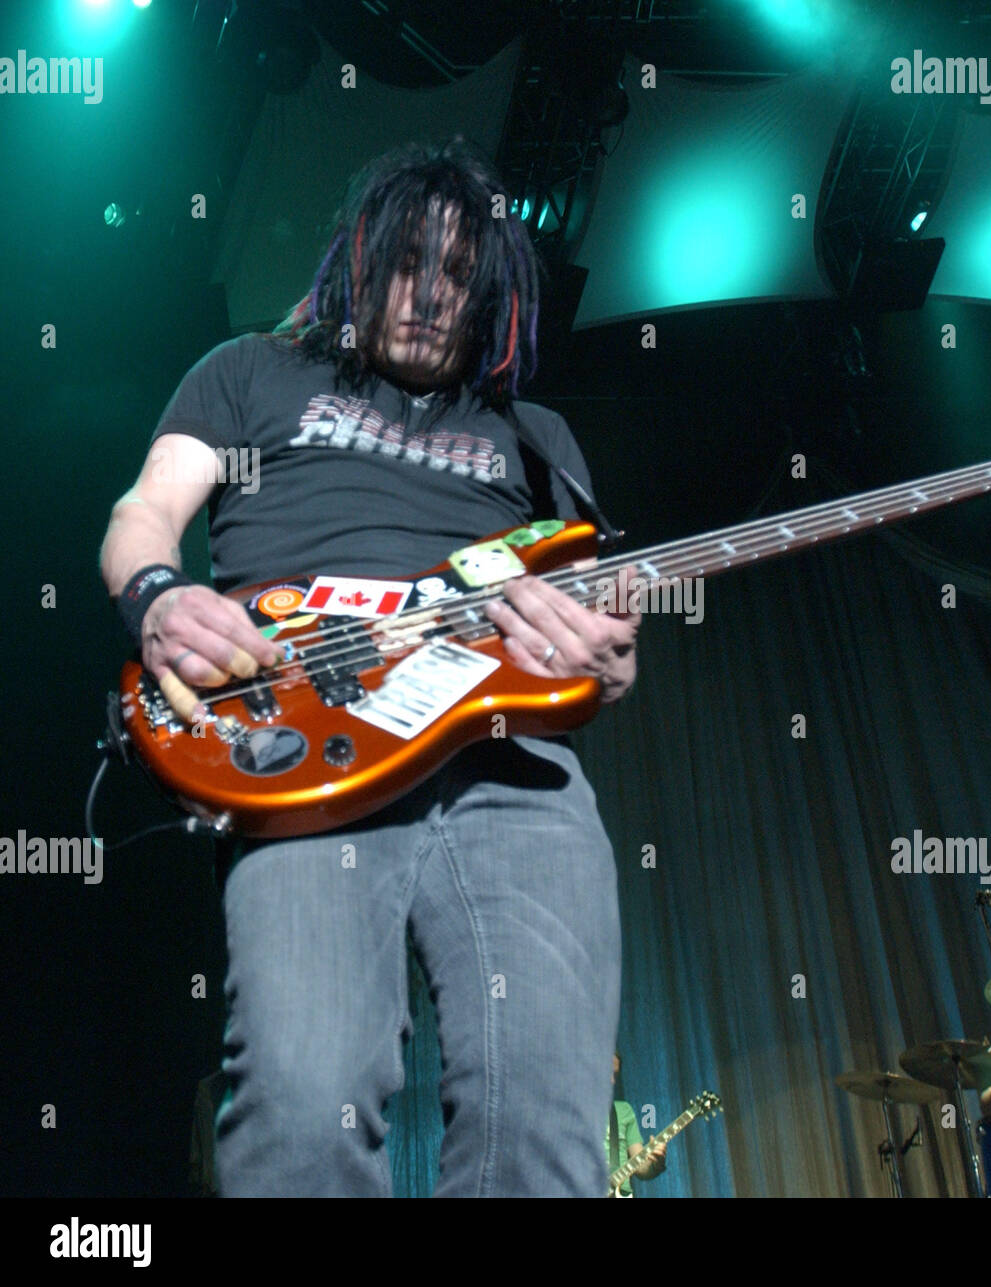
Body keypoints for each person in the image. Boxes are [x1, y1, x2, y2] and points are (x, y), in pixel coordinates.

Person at [100, 138, 641, 1196]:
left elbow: (604, 642)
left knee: (545, 1122)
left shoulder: (536, 438)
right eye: (409, 264)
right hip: (308, 744)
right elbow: (143, 514)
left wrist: (609, 662)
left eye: (457, 275)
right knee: (302, 1106)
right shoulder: (251, 369)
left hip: (510, 760)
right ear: (360, 259)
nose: (430, 296)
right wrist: (161, 599)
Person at [607, 1052, 667, 1197]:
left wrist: (657, 1161)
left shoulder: (623, 1110)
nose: (612, 1081)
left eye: (614, 1074)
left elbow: (642, 1170)